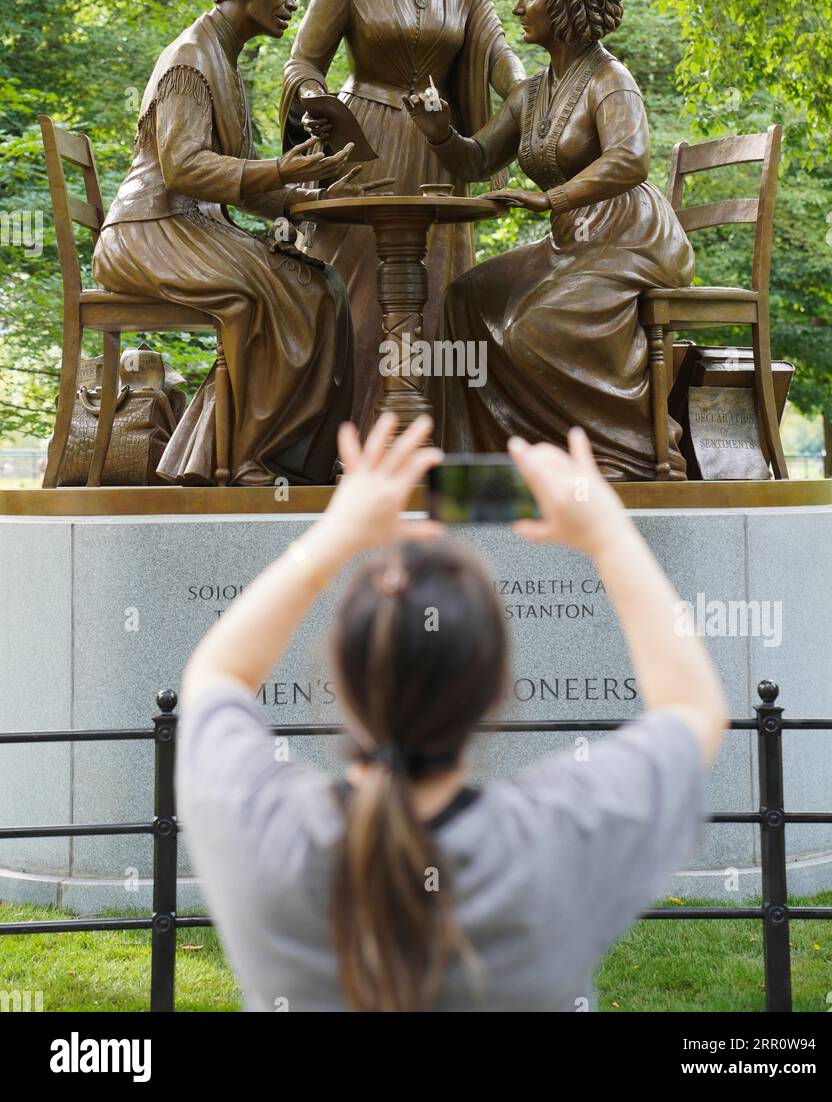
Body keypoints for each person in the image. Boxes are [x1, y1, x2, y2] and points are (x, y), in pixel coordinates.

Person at [178, 412, 728, 1012]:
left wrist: (335, 535)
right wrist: (610, 535)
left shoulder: (265, 833)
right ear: (495, 689)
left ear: (338, 676)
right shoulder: (557, 838)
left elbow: (217, 674)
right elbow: (691, 707)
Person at [404, 0, 695, 479]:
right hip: (570, 240)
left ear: (563, 3)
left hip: (628, 237)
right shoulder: (533, 92)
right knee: (465, 299)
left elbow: (631, 161)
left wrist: (548, 198)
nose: (518, 6)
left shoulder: (612, 79)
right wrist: (441, 134)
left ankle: (617, 453)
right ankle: (481, 462)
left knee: (533, 329)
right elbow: (475, 160)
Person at [93, 0, 360, 486]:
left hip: (190, 225)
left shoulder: (225, 60)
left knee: (324, 286)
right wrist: (284, 169)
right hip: (149, 230)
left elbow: (239, 181)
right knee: (265, 292)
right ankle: (242, 458)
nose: (292, 2)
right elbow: (184, 167)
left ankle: (291, 454)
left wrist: (300, 193)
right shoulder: (191, 58)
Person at [280, 0, 526, 438]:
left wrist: (528, 89)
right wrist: (313, 98)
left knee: (436, 298)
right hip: (360, 149)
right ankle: (345, 443)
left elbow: (502, 58)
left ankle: (424, 441)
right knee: (354, 299)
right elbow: (302, 63)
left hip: (437, 152)